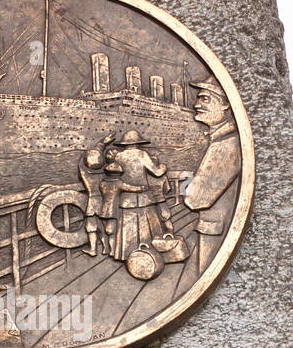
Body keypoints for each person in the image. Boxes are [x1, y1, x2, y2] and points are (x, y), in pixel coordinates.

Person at [182, 75, 241, 272]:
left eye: (205, 98)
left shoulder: (226, 146)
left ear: (226, 105)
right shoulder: (222, 140)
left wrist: (187, 183)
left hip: (216, 236)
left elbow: (195, 199)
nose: (197, 104)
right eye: (198, 97)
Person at [103, 128, 169, 261]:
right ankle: (153, 253)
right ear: (138, 142)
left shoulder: (118, 156)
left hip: (126, 199)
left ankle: (126, 254)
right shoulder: (142, 154)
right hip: (145, 197)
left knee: (127, 227)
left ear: (124, 144)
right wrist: (163, 167)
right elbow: (156, 172)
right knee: (150, 226)